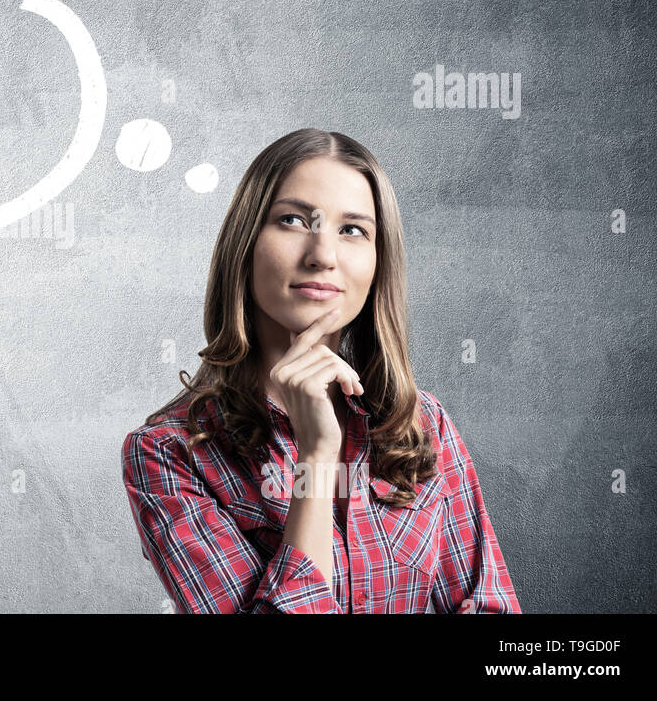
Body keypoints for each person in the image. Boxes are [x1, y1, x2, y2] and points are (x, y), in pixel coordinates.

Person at [121, 128, 520, 613]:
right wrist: (316, 456)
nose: (323, 256)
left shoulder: (421, 423)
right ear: (245, 245)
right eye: (291, 220)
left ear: (377, 263)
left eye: (352, 230)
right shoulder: (169, 453)